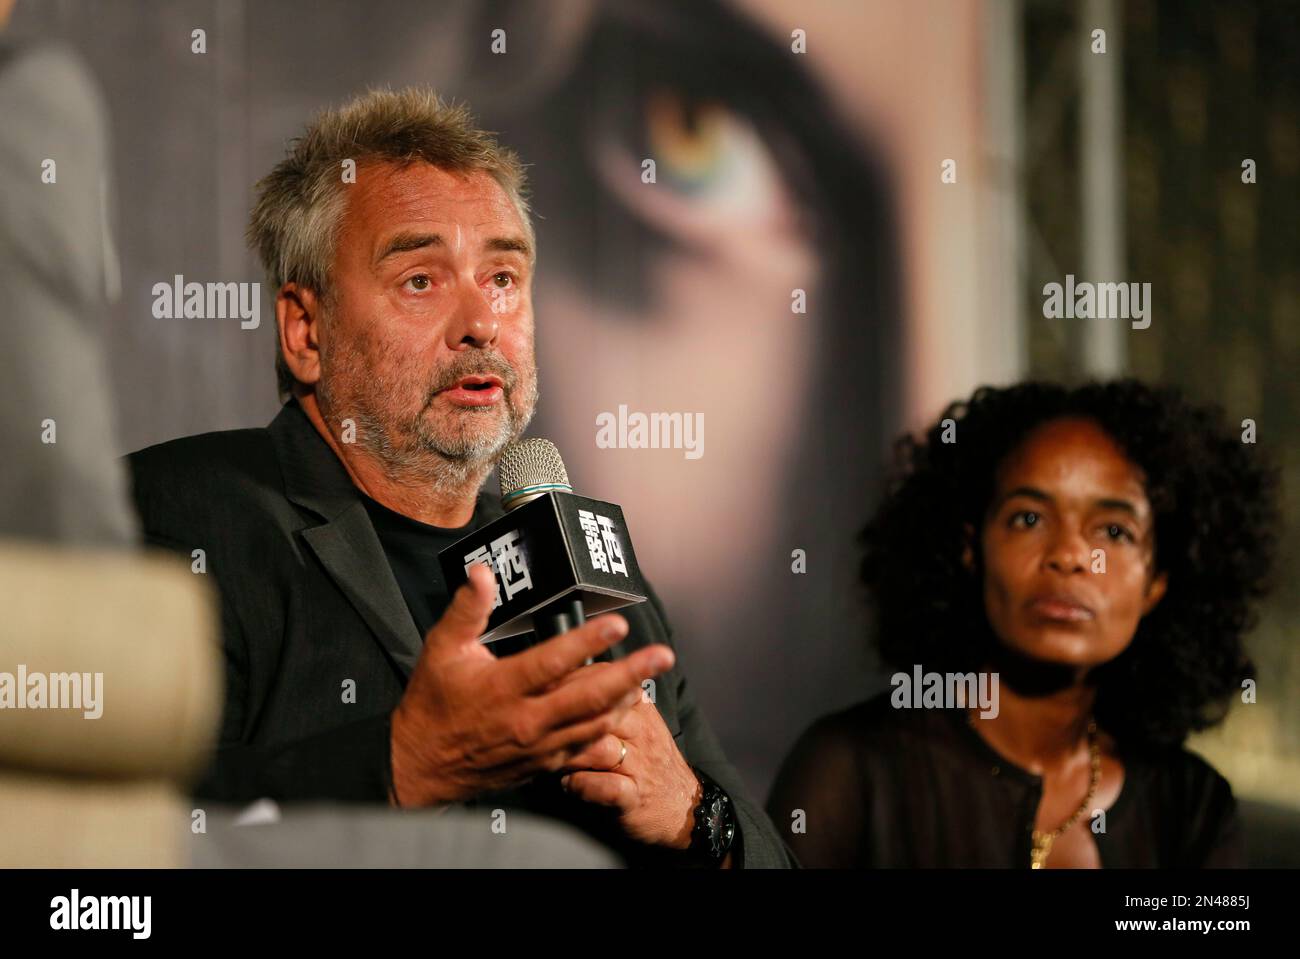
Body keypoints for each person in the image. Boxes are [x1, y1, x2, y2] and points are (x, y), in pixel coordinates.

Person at [128, 87, 794, 868]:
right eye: (422, 280)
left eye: (503, 278)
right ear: (306, 331)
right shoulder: (183, 515)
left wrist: (690, 814)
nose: (481, 322)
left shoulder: (591, 567)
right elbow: (107, 841)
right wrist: (402, 764)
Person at [767, 380, 1278, 868]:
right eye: (1028, 518)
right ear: (973, 550)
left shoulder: (1191, 807)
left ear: (1158, 583)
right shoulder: (850, 770)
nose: (1070, 555)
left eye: (1114, 530)